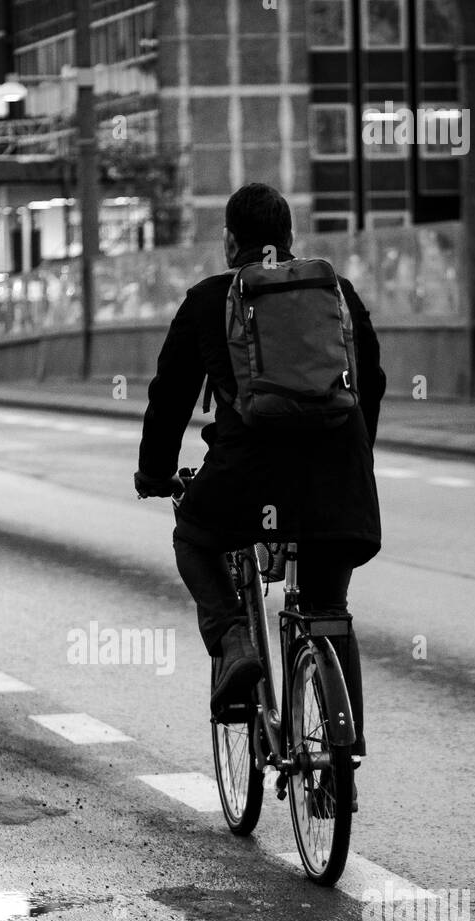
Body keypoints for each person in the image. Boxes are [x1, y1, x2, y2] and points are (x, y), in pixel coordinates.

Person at [134, 183, 384, 775]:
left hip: (249, 475)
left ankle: (234, 643)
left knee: (194, 537)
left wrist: (155, 472)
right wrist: (356, 461)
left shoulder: (209, 299)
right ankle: (342, 750)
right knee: (329, 604)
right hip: (338, 481)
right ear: (290, 240)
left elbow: (169, 397)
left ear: (229, 242)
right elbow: (369, 381)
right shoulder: (337, 293)